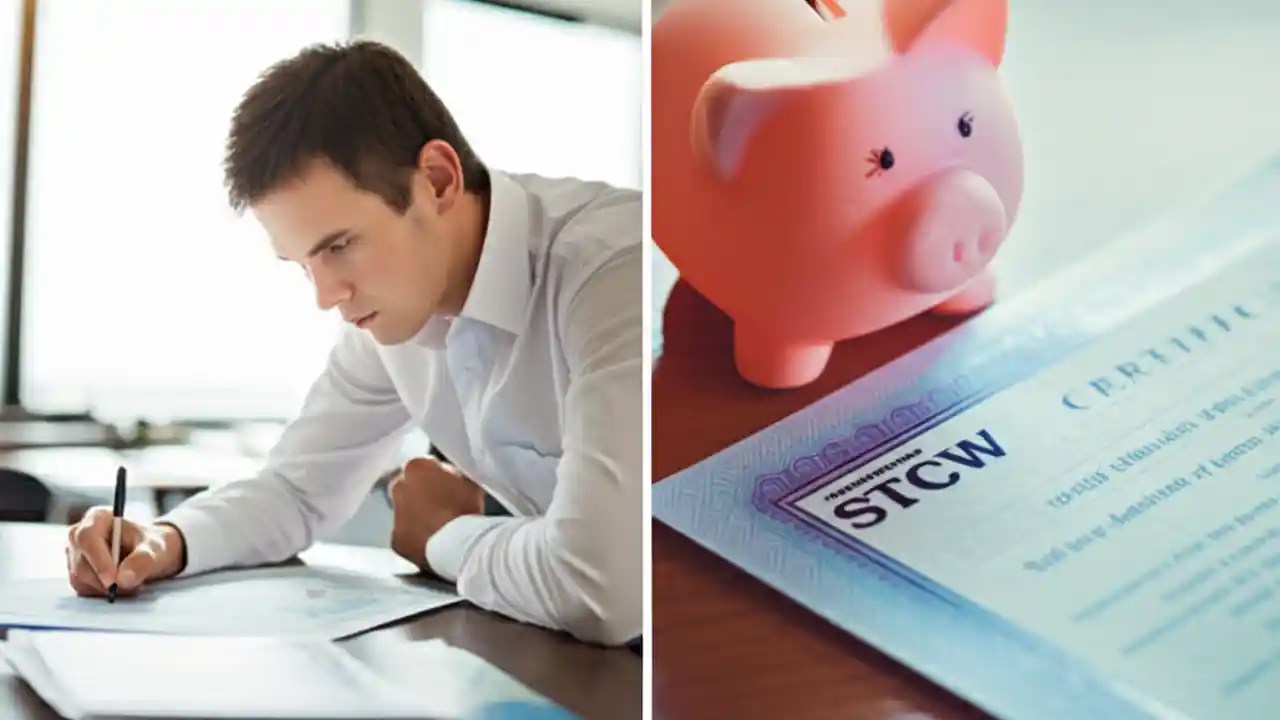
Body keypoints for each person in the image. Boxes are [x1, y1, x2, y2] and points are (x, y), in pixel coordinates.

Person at [61, 40, 642, 646]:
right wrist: (164, 541)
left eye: (339, 246)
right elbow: (294, 491)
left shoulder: (614, 272)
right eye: (301, 263)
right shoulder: (393, 315)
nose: (326, 295)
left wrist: (445, 534)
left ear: (437, 181)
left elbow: (602, 587)